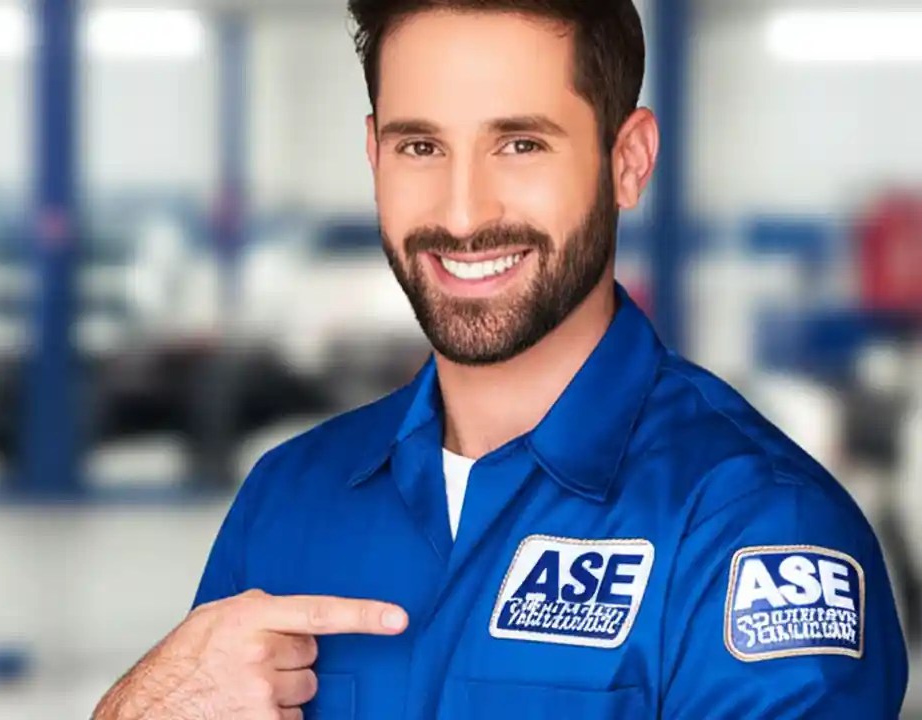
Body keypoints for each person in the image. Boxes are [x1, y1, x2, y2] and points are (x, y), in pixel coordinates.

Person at [93, 0, 909, 717]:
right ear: (374, 155)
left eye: (519, 145)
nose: (461, 212)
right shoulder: (289, 498)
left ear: (627, 161)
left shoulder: (753, 534)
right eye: (421, 148)